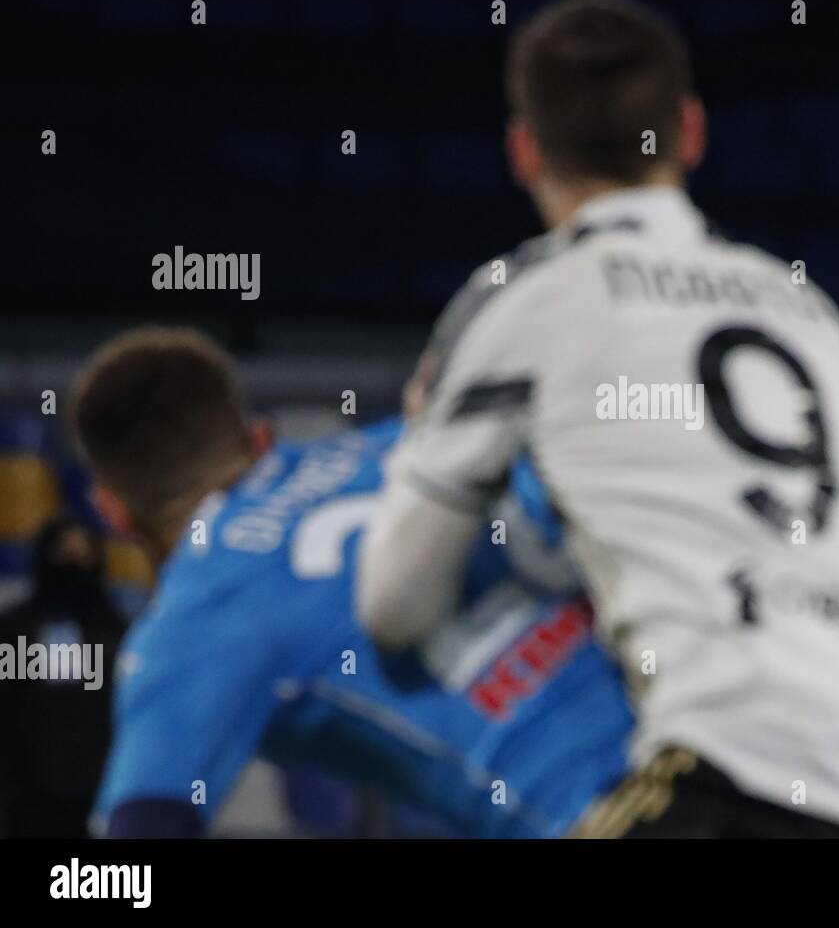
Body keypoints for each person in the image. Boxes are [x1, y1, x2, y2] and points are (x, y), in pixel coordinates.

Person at [357, 0, 839, 838]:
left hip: (744, 767)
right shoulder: (813, 316)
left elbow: (392, 605)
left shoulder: (526, 304)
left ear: (523, 150)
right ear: (689, 131)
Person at [70, 326, 633, 837]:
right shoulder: (409, 442)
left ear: (111, 511)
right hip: (698, 736)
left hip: (599, 813)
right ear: (260, 438)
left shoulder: (194, 622)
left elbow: (139, 847)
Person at [0, 516, 124, 837]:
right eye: (65, 551)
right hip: (31, 795)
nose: (74, 560)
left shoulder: (115, 627)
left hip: (101, 788)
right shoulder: (16, 627)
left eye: (83, 551)